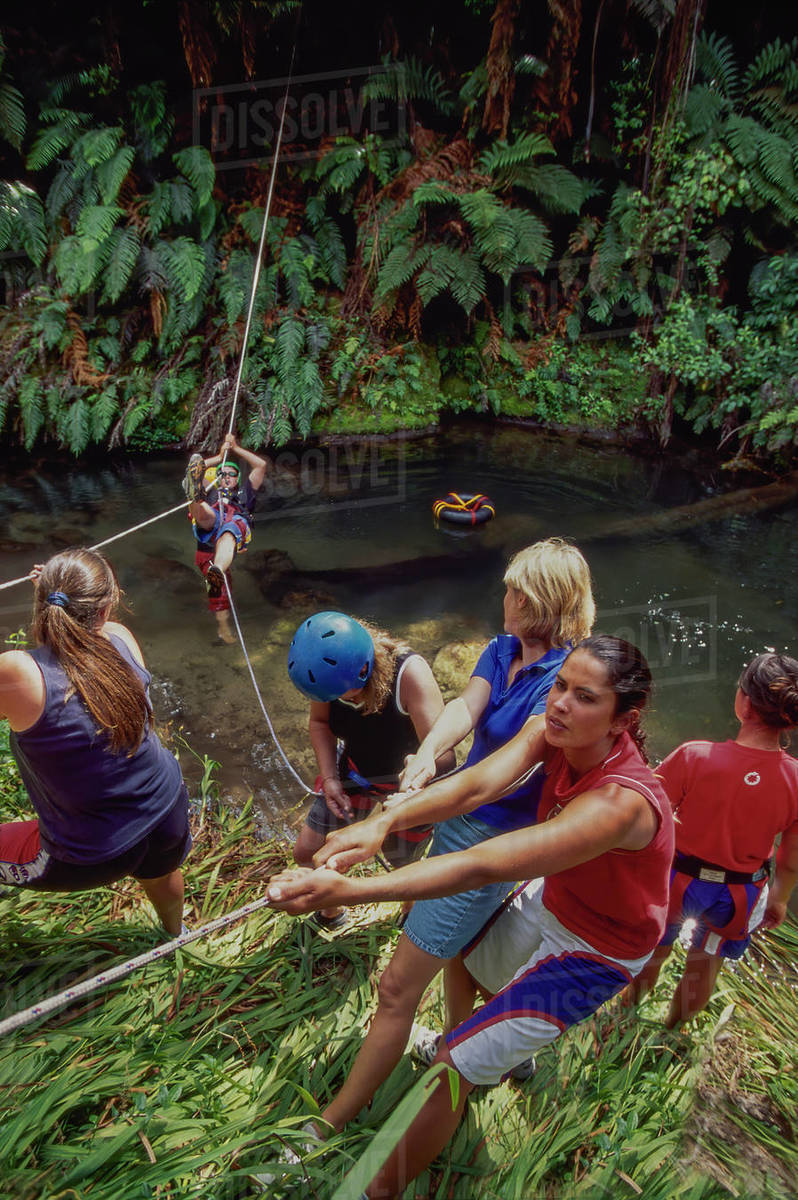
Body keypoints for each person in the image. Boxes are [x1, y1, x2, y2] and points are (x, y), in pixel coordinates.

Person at [267, 636, 674, 1196]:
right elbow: (478, 784)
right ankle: (509, 1050)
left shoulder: (620, 803)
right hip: (553, 903)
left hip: (597, 953)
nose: (558, 704)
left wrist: (350, 891)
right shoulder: (555, 734)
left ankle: (375, 1190)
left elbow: (481, 866)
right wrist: (384, 823)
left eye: (584, 697)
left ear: (622, 721)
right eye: (559, 686)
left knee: (457, 1065)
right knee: (465, 956)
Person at [273, 539, 594, 1135]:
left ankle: (327, 1126)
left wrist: (394, 814)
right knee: (460, 955)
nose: (504, 598)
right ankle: (471, 1040)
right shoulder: (503, 650)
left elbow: (489, 783)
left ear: (539, 600)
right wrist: (424, 755)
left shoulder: (561, 681)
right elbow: (464, 711)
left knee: (396, 989)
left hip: (490, 840)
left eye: (513, 590)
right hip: (457, 822)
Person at [0, 548, 191, 936]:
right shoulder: (121, 638)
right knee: (162, 873)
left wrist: (49, 598)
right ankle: (177, 935)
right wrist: (61, 599)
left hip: (92, 851)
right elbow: (89, 640)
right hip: (166, 810)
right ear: (106, 610)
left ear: (43, 605)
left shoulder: (20, 672)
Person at [628, 651, 798, 1028]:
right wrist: (780, 898)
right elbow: (789, 858)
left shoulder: (695, 756)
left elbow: (646, 817)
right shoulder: (796, 780)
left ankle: (626, 1019)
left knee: (653, 952)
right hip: (739, 894)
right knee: (704, 967)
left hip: (676, 882)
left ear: (744, 702)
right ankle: (672, 1031)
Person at [287, 610, 454, 930]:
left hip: (409, 784)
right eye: (331, 697)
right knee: (310, 851)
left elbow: (444, 756)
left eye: (344, 696)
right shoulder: (326, 676)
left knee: (402, 861)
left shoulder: (409, 674)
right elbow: (320, 723)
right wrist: (331, 779)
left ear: (364, 669)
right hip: (354, 772)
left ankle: (411, 909)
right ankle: (332, 911)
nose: (338, 702)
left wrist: (409, 793)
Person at [182, 431, 268, 644]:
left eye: (231, 474)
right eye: (222, 474)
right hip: (207, 532)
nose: (227, 476)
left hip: (231, 530)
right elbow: (195, 467)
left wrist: (236, 448)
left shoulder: (245, 493)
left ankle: (217, 572)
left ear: (238, 478)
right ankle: (194, 496)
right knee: (204, 511)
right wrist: (220, 458)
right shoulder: (212, 491)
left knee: (228, 533)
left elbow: (261, 466)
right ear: (216, 477)